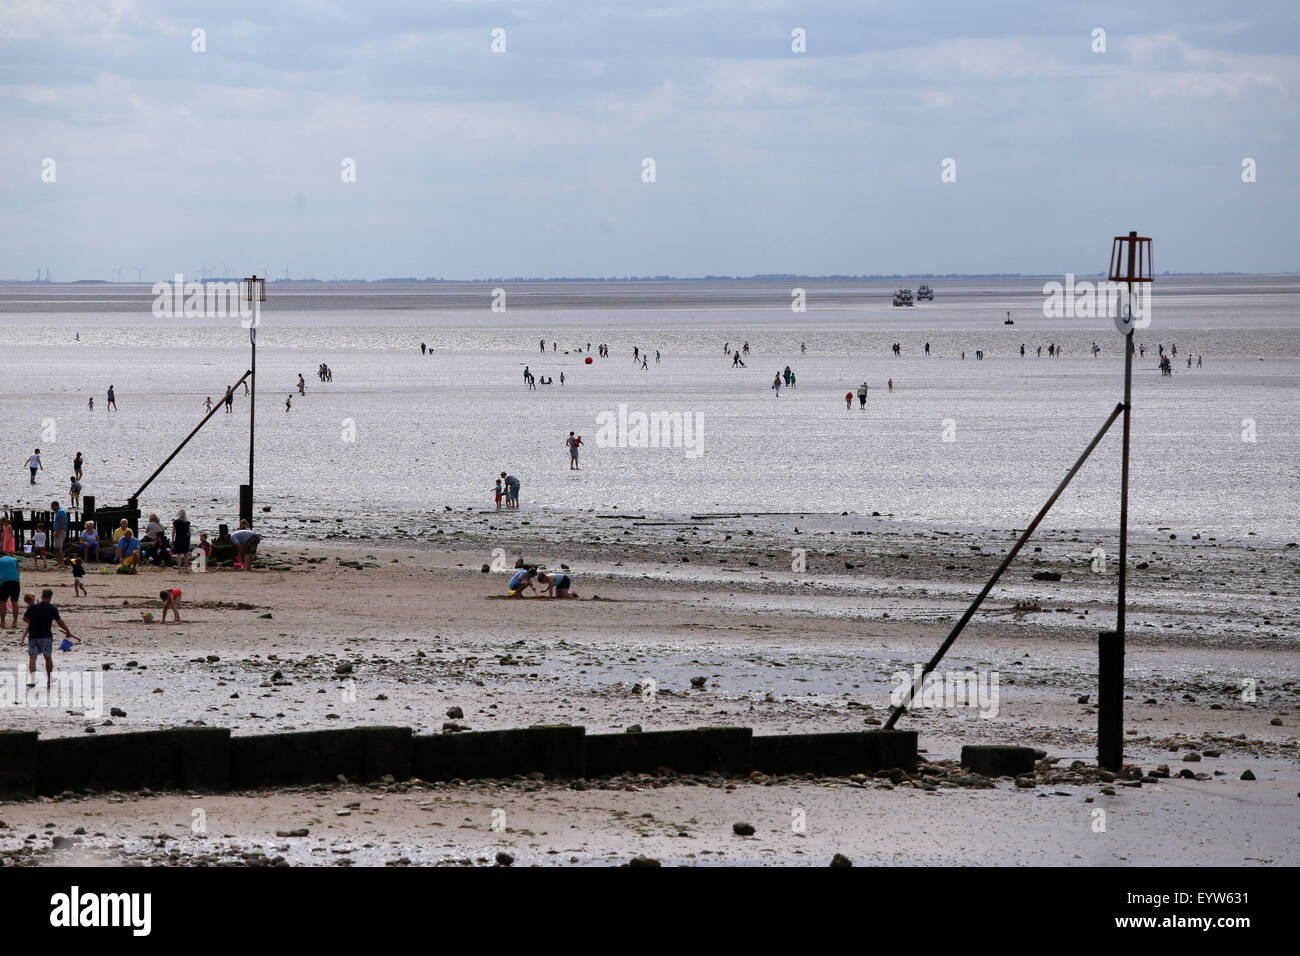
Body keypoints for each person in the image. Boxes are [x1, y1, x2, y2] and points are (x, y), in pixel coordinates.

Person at [24, 589, 74, 690]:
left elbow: (24, 618)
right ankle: (49, 679)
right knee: (47, 657)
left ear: (42, 596)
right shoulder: (52, 608)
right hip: (46, 636)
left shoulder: (33, 607)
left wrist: (33, 622)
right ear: (50, 597)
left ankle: (32, 681)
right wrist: (68, 631)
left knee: (32, 658)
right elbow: (59, 621)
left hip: (33, 636)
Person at [0, 550, 19, 628]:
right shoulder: (14, 559)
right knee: (15, 602)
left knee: (2, 602)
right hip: (15, 582)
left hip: (4, 582)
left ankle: (2, 622)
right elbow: (18, 571)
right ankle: (14, 623)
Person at [51, 500, 68, 568]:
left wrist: (58, 531)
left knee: (60, 547)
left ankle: (61, 563)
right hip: (59, 531)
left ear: (56, 505)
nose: (52, 508)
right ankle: (59, 562)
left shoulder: (60, 512)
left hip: (60, 531)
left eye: (52, 507)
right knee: (58, 547)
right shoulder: (58, 512)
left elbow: (62, 522)